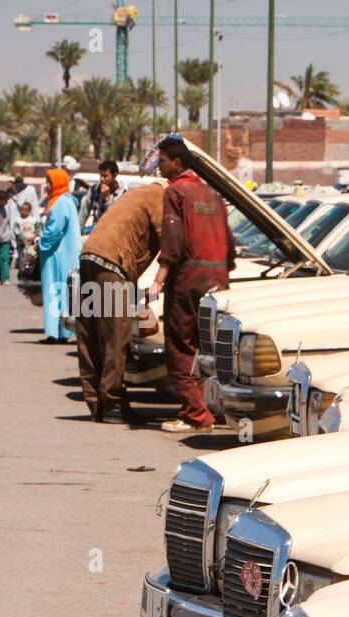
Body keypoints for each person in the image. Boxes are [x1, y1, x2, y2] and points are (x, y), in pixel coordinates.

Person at [148, 135, 235, 433]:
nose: (159, 167)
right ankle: (214, 407)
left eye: (162, 161)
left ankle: (195, 414)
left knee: (180, 343)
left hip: (188, 277)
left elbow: (172, 243)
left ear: (177, 162)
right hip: (218, 278)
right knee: (209, 345)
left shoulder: (175, 192)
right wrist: (225, 271)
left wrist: (159, 280)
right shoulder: (212, 194)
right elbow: (229, 240)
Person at [75, 179, 164, 424]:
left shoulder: (137, 194)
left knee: (90, 335)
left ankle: (97, 403)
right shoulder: (161, 198)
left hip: (89, 258)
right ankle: (113, 404)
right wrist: (161, 282)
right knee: (116, 336)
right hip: (111, 263)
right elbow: (169, 245)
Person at [37, 167, 81, 344]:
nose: (46, 186)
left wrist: (40, 241)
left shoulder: (59, 203)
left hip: (57, 255)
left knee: (55, 290)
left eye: (50, 182)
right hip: (65, 255)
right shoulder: (64, 200)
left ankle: (56, 332)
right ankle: (62, 332)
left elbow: (54, 231)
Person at [78, 159, 124, 231]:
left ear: (115, 175)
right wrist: (78, 232)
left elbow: (116, 217)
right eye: (101, 175)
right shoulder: (94, 190)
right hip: (97, 232)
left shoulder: (123, 194)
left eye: (105, 176)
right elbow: (83, 213)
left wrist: (107, 198)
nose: (102, 179)